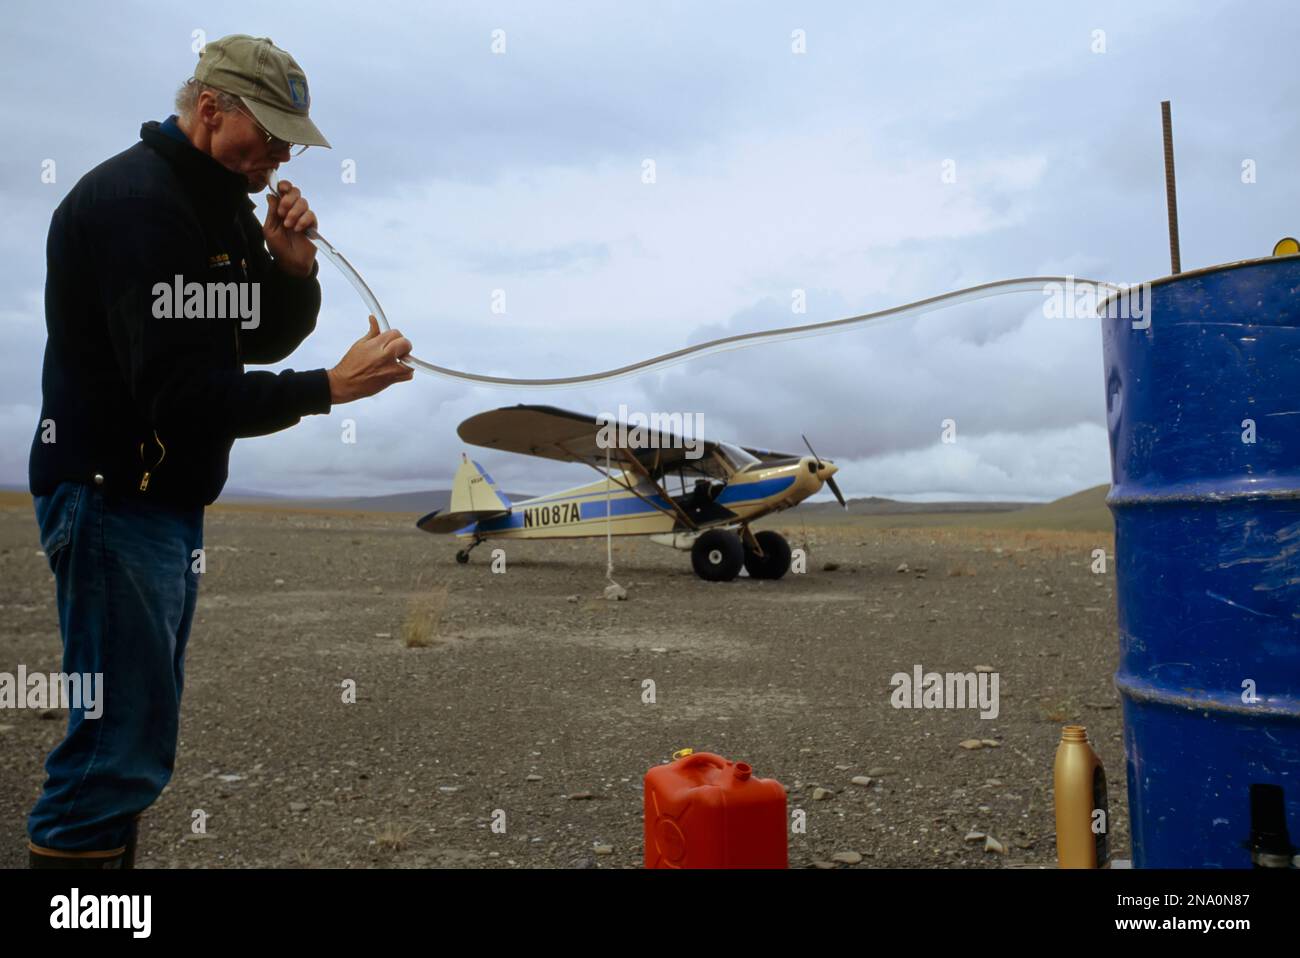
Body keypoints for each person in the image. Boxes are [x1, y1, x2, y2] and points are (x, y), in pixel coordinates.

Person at [25, 34, 413, 868]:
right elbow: (182, 395)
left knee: (130, 749)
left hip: (157, 504)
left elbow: (253, 337)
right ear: (210, 109)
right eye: (266, 135)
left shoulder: (218, 208)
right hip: (108, 499)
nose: (276, 157)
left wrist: (290, 267)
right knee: (109, 759)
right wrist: (329, 388)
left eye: (288, 142)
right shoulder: (139, 205)